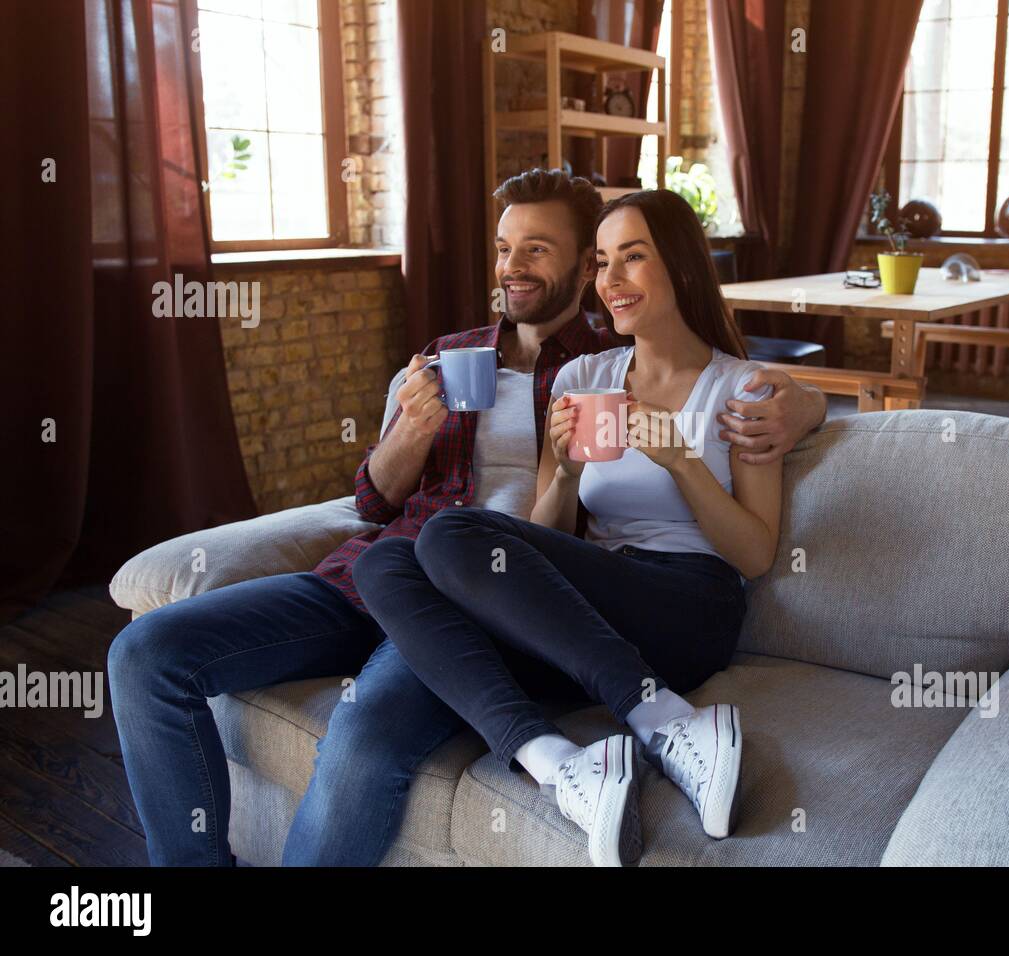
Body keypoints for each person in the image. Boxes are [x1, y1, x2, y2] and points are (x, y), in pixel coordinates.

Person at [106, 169, 827, 866]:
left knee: (369, 720)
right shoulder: (454, 360)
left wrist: (802, 403)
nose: (513, 266)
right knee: (145, 654)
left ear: (582, 273)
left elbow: (727, 417)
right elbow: (370, 504)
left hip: (495, 604)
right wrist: (411, 435)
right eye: (506, 247)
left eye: (540, 249)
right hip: (382, 581)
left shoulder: (603, 361)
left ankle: (647, 731)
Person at [354, 189, 783, 867]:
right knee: (382, 563)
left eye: (633, 258)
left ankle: (671, 723)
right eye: (604, 262)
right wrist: (567, 477)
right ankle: (559, 762)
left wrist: (682, 462)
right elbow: (543, 530)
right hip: (595, 614)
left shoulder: (745, 389)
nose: (611, 281)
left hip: (690, 604)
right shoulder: (585, 376)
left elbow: (756, 556)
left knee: (449, 534)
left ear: (684, 267)